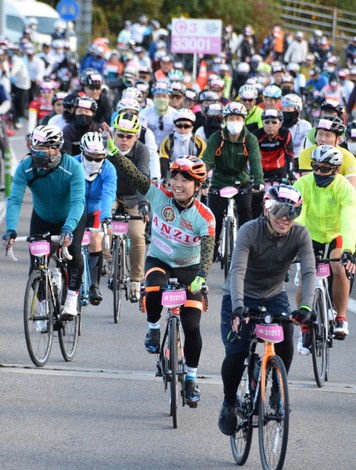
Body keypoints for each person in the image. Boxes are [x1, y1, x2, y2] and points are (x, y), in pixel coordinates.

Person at [103, 138, 215, 406]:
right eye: (174, 177)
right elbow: (134, 174)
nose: (177, 184)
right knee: (153, 287)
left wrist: (202, 277)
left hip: (190, 269)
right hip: (160, 259)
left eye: (185, 180)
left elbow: (209, 250)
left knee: (192, 326)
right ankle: (153, 328)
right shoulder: (158, 195)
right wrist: (116, 154)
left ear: (197, 186)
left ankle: (190, 378)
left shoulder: (205, 216)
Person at [218, 184, 316, 435]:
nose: (285, 217)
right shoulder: (249, 230)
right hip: (239, 296)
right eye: (279, 210)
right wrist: (238, 309)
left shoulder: (301, 234)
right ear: (266, 208)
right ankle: (229, 402)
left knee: (286, 338)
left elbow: (308, 271)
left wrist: (306, 306)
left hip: (273, 295)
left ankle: (276, 390)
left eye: (293, 212)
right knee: (237, 353)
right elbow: (237, 271)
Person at [3, 125, 86, 320]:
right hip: (42, 218)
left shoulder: (73, 167)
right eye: (34, 148)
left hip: (71, 218)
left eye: (42, 150)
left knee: (74, 253)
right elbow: (15, 200)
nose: (36, 153)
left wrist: (68, 228)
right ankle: (43, 306)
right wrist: (11, 229)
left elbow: (78, 201)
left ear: (56, 149)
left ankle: (72, 298)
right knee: (35, 267)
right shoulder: (26, 167)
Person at [294, 145, 356, 351]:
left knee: (339, 268)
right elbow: (298, 215)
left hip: (334, 236)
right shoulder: (303, 183)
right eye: (315, 167)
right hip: (308, 235)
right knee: (306, 275)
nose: (319, 172)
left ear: (336, 170)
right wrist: (294, 243)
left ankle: (340, 318)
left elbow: (349, 219)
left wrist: (349, 249)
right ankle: (304, 331)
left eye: (325, 168)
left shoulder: (344, 188)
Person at [203, 101, 264, 260]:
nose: (234, 122)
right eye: (231, 118)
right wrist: (202, 180)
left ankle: (246, 245)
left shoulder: (250, 139)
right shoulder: (216, 138)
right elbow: (207, 161)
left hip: (241, 181)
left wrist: (258, 181)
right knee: (213, 216)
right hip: (219, 181)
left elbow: (256, 161)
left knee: (246, 209)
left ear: (244, 121)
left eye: (238, 118)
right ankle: (212, 248)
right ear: (224, 120)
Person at [106, 112, 150, 302]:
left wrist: (143, 206)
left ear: (136, 137)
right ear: (113, 134)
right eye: (120, 135)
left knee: (137, 235)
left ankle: (135, 280)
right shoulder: (104, 147)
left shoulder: (141, 151)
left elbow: (142, 179)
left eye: (129, 136)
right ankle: (108, 261)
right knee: (102, 227)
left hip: (133, 197)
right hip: (110, 195)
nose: (124, 140)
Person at [75, 132, 117, 305]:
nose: (93, 162)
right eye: (89, 157)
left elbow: (108, 194)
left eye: (98, 158)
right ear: (82, 152)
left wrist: (106, 217)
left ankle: (94, 286)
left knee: (95, 238)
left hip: (97, 207)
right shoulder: (72, 163)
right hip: (75, 205)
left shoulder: (109, 169)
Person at [252, 108, 294, 218]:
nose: (270, 125)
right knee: (255, 201)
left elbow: (289, 155)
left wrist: (290, 173)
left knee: (282, 200)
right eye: (267, 122)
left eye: (274, 122)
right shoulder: (256, 135)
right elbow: (252, 158)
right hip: (261, 172)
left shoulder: (285, 134)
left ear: (280, 124)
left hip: (279, 171)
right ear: (262, 124)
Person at [299, 115, 356, 187]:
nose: (322, 139)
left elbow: (352, 188)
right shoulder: (305, 154)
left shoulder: (348, 157)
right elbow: (307, 185)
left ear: (338, 140)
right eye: (320, 134)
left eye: (327, 135)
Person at [159, 108, 206, 180]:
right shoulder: (167, 140)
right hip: (172, 174)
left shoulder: (199, 141)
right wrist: (164, 178)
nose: (183, 129)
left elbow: (203, 161)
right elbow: (163, 160)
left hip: (193, 174)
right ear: (175, 125)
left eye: (186, 126)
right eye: (179, 125)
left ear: (192, 127)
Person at [281, 94, 311, 165]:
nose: (285, 112)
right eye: (283, 109)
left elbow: (308, 145)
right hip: (282, 159)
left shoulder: (305, 125)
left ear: (297, 110)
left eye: (288, 109)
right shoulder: (278, 125)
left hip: (299, 160)